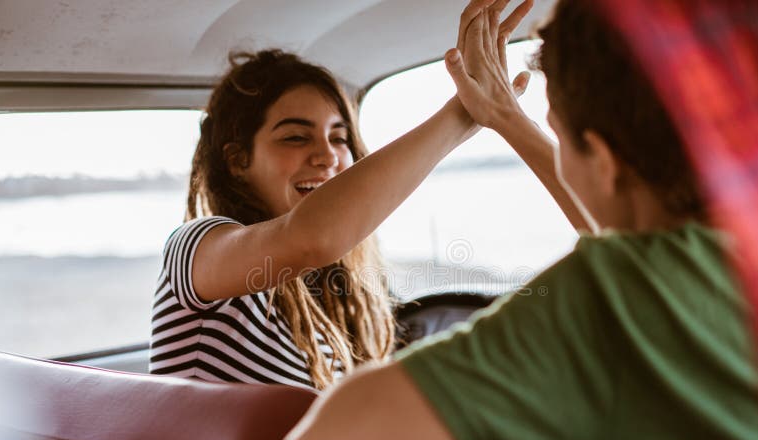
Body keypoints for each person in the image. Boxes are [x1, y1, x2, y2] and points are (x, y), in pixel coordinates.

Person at [277, 0, 758, 440]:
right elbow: (642, 234)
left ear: (604, 161)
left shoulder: (614, 297)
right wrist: (504, 117)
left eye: (560, 136)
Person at [149, 12, 530, 390]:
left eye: (339, 138)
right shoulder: (194, 248)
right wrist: (463, 113)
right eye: (296, 137)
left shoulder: (330, 299)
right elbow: (314, 237)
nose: (328, 156)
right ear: (237, 161)